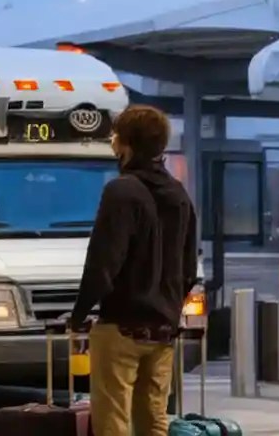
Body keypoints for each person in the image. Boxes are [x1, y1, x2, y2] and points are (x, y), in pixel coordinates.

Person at [69, 105, 198, 436]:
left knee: (112, 419)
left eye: (115, 137)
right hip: (163, 328)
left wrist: (81, 312)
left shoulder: (121, 191)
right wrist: (170, 307)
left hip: (121, 326)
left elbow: (103, 260)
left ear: (125, 144)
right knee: (154, 417)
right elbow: (187, 265)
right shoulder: (179, 194)